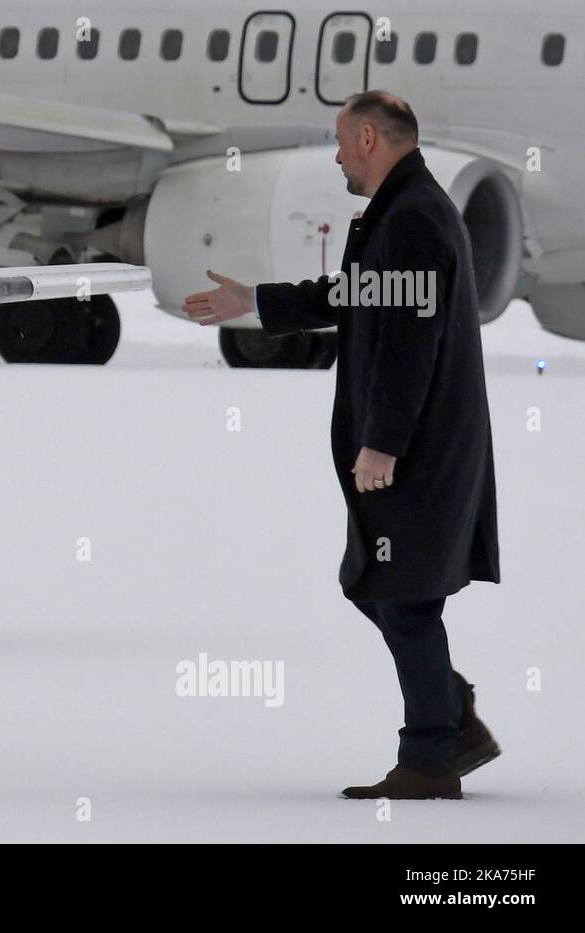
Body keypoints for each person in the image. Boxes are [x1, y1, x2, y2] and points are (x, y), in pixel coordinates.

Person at [183, 91, 500, 799]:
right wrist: (257, 303)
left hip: (417, 448)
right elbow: (354, 294)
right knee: (380, 584)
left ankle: (428, 759)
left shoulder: (413, 218)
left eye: (338, 142)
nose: (334, 158)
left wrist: (383, 444)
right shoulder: (405, 210)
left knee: (403, 596)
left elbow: (409, 347)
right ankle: (450, 720)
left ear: (367, 138)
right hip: (423, 442)